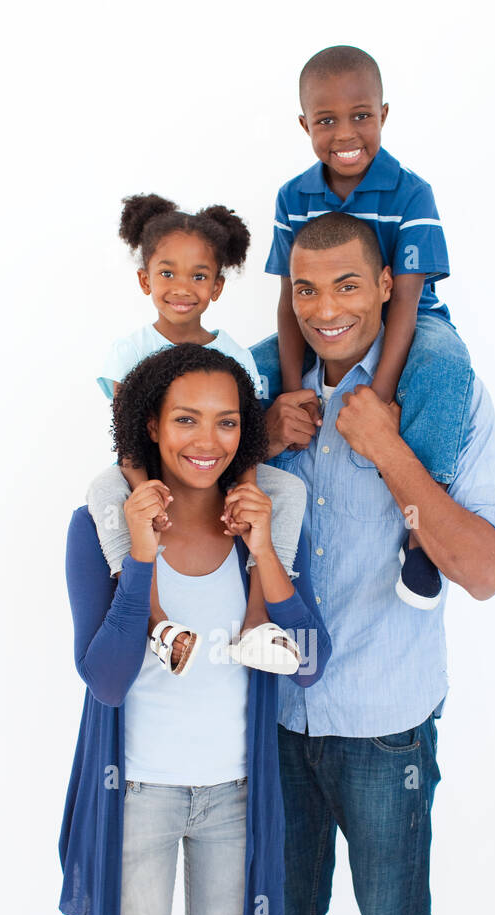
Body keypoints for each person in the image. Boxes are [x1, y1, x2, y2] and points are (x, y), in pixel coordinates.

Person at [237, 213, 495, 915]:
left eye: (347, 288)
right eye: (305, 292)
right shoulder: (269, 392)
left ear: (388, 288)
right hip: (273, 716)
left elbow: (483, 568)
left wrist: (387, 450)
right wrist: (262, 428)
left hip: (386, 722)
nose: (325, 313)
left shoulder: (438, 393)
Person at [58, 344, 331, 915]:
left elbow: (310, 658)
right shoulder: (102, 527)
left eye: (225, 420)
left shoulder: (266, 519)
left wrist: (259, 551)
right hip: (134, 799)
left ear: (244, 431)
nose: (206, 440)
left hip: (232, 799)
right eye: (184, 419)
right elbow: (102, 677)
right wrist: (143, 560)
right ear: (149, 426)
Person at [252, 44, 474, 611]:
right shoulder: (292, 196)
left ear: (383, 114)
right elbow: (288, 300)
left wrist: (376, 395)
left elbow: (402, 297)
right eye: (326, 120)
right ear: (304, 124)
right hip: (323, 322)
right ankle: (257, 497)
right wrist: (288, 387)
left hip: (410, 317)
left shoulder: (411, 191)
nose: (345, 133)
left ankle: (423, 535)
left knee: (445, 363)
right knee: (238, 366)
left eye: (361, 116)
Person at [89, 193, 306, 675]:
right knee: (103, 491)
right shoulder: (130, 350)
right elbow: (128, 438)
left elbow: (242, 432)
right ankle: (157, 621)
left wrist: (247, 488)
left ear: (218, 288)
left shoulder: (235, 354)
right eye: (167, 273)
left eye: (199, 276)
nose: (181, 287)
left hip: (215, 471)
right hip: (147, 469)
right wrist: (144, 488)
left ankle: (256, 623)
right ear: (145, 279)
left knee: (286, 490)